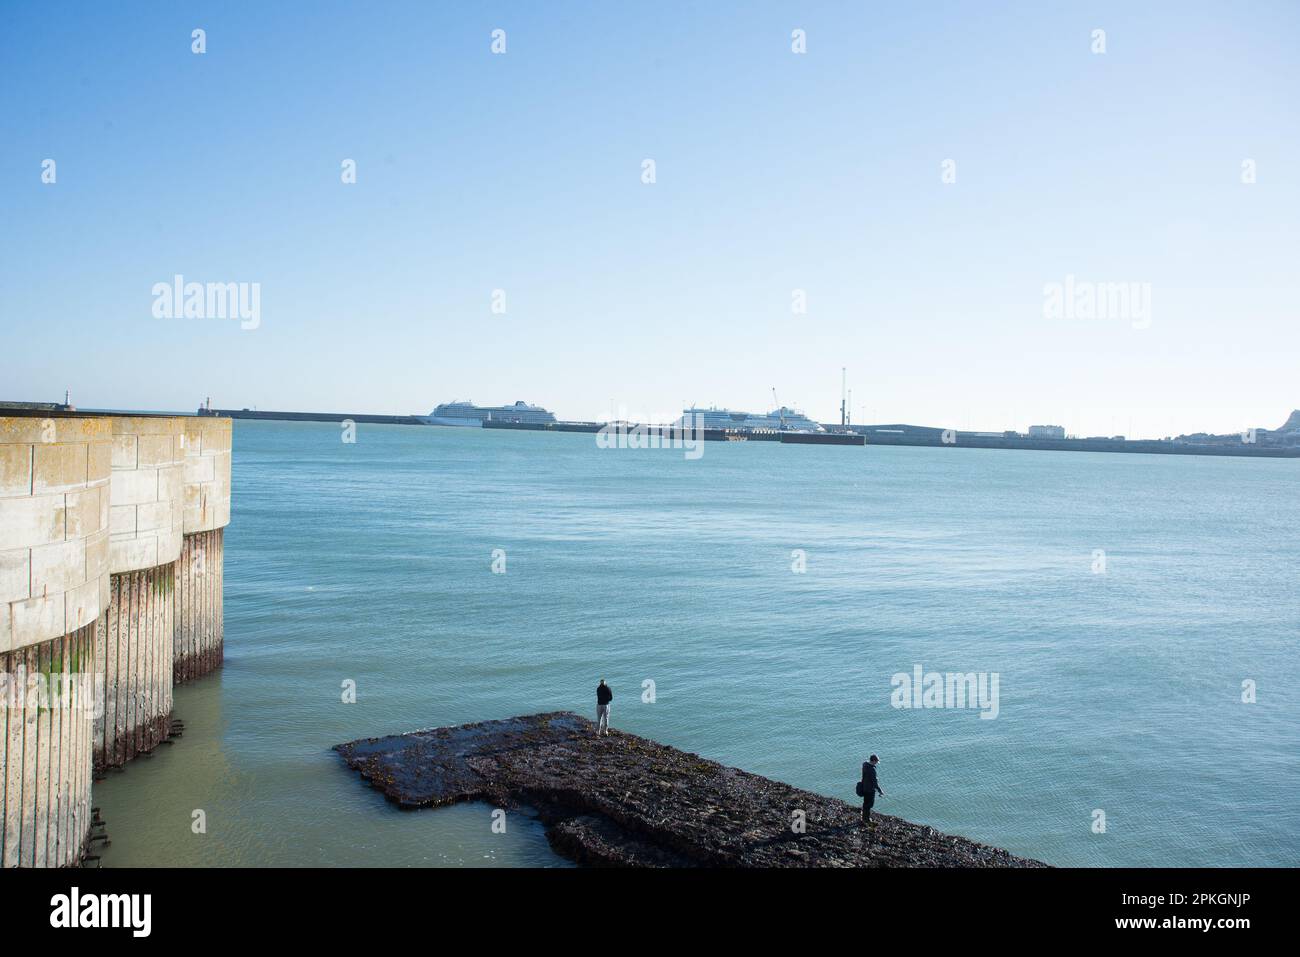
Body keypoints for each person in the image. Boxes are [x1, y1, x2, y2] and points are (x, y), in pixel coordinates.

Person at [860, 754, 883, 824]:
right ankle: (866, 819)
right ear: (873, 761)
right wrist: (880, 791)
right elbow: (875, 782)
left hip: (864, 787)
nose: (876, 763)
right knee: (869, 804)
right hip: (870, 790)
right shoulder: (872, 770)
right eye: (876, 761)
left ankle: (863, 818)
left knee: (865, 803)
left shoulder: (865, 765)